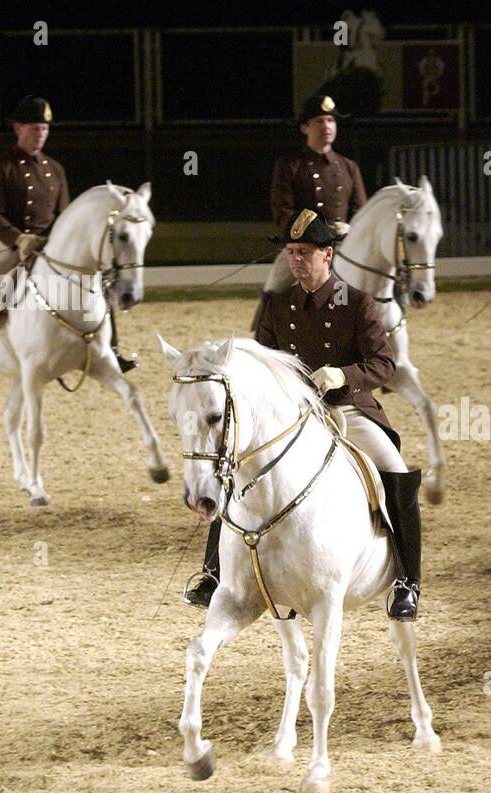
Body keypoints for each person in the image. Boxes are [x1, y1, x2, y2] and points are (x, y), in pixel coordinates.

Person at [186, 209, 423, 620]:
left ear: (327, 255)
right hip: (294, 414)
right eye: (292, 252)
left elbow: (384, 365)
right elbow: (257, 363)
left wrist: (343, 374)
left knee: (395, 469)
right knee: (236, 463)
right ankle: (212, 571)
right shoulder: (279, 306)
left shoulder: (359, 303)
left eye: (305, 252)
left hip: (348, 409)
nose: (295, 260)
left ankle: (408, 581)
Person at [0, 95, 124, 381]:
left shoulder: (55, 169)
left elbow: (64, 216)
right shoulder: (1, 165)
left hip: (49, 246)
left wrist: (58, 241)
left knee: (97, 279)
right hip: (10, 243)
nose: (39, 135)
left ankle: (113, 350)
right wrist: (19, 239)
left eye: (44, 129)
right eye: (33, 129)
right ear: (17, 129)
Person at [250, 94, 368, 333]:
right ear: (305, 127)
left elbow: (361, 212)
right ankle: (264, 334)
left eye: (331, 121)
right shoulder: (290, 165)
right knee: (276, 286)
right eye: (319, 121)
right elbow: (282, 212)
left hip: (346, 246)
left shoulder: (348, 167)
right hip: (305, 248)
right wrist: (313, 234)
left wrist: (352, 230)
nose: (327, 126)